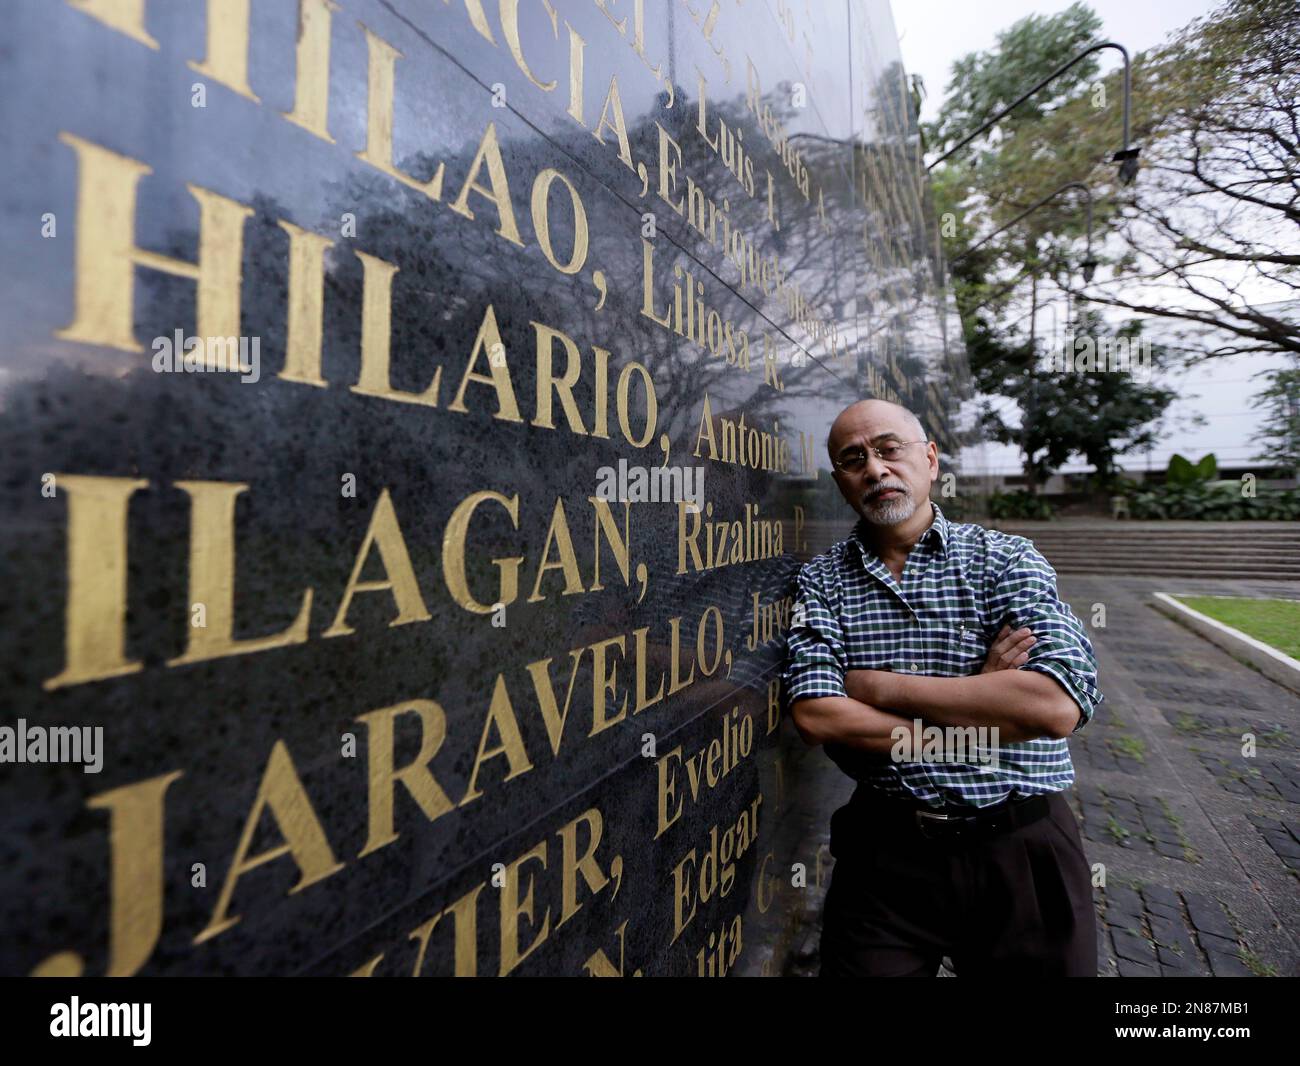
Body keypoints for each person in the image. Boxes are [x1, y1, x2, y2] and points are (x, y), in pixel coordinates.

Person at [783, 399, 1103, 977]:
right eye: (854, 459)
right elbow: (819, 717)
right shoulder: (821, 581)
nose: (875, 470)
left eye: (889, 449)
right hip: (884, 857)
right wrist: (976, 707)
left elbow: (1054, 706)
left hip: (1021, 847)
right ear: (841, 482)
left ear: (929, 460)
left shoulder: (1006, 560)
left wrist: (879, 687)